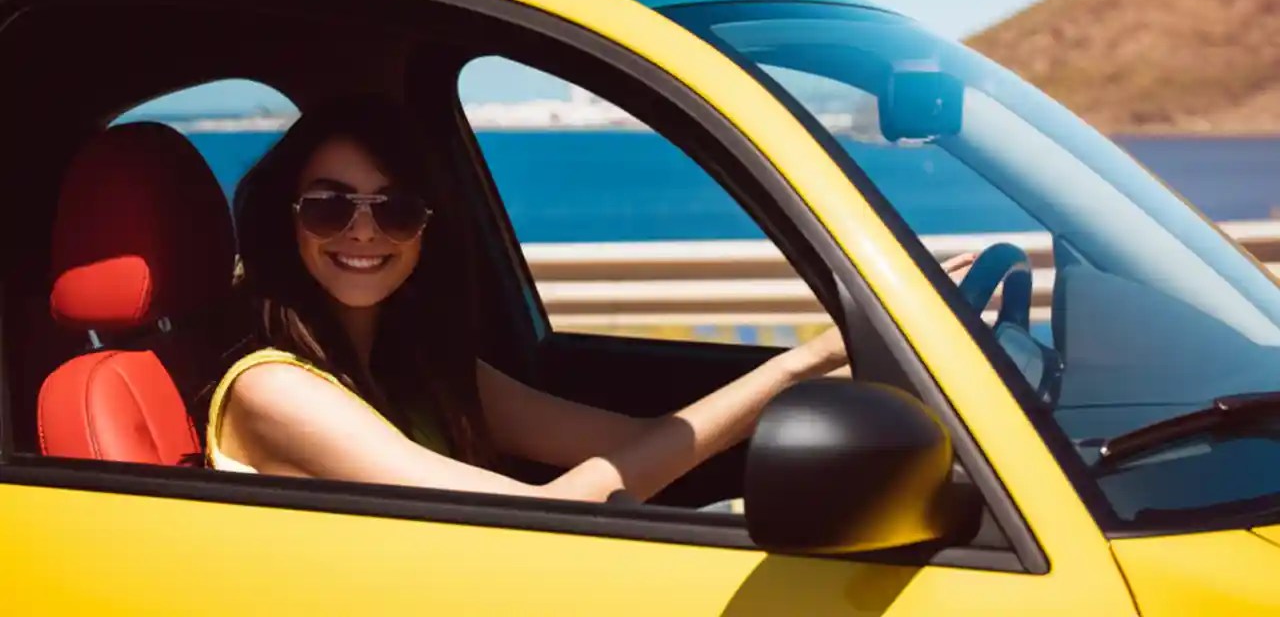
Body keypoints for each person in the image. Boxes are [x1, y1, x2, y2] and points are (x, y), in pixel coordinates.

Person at [206, 96, 975, 504]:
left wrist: (846, 376)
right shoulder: (273, 393)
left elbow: (636, 444)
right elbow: (539, 516)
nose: (363, 231)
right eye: (329, 205)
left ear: (428, 229)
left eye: (396, 208)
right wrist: (799, 364)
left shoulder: (420, 368)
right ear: (285, 219)